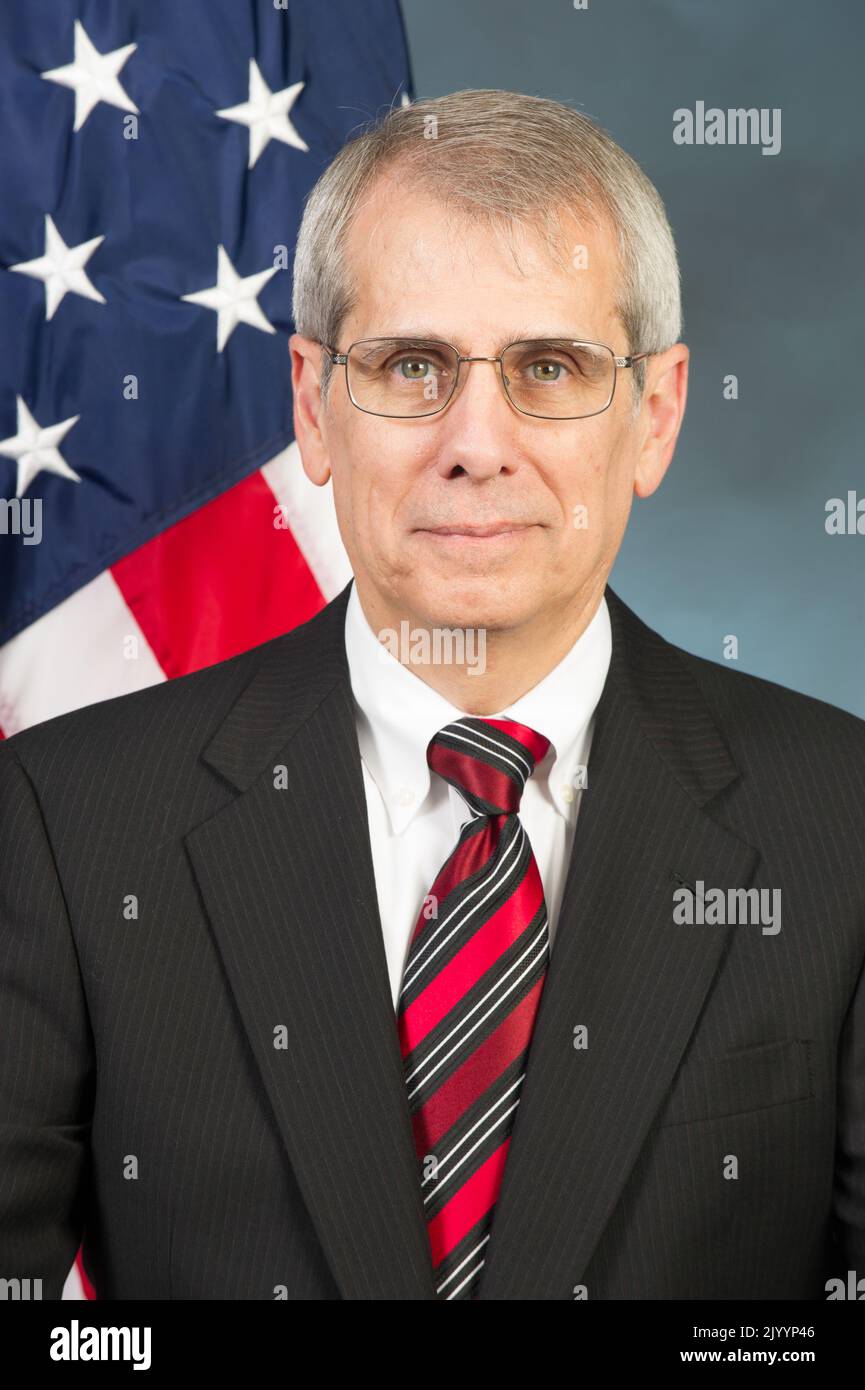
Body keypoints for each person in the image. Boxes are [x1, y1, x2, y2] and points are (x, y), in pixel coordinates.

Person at [1, 89, 863, 1301]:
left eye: (549, 367)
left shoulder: (843, 823)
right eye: (412, 365)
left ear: (656, 413)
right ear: (312, 402)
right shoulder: (61, 820)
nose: (475, 440)